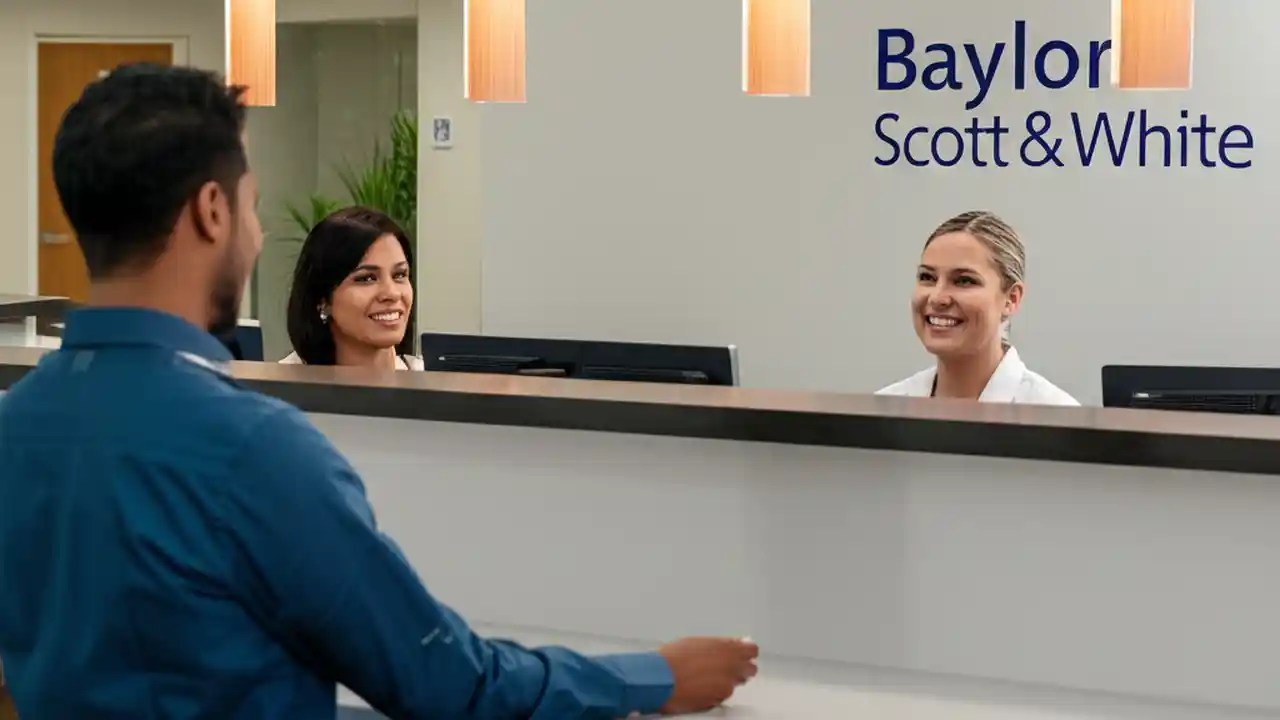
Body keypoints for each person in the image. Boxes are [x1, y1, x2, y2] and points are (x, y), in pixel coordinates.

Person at [0, 63, 757, 719]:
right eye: (253, 205)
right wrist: (654, 674)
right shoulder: (254, 451)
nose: (258, 234)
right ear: (212, 211)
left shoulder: (13, 425)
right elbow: (446, 682)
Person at [876, 210, 1078, 405]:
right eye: (927, 277)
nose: (937, 298)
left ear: (1011, 299)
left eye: (964, 281)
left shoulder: (1056, 417)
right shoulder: (885, 409)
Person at [282, 206, 422, 370]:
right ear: (323, 299)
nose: (392, 293)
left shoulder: (435, 384)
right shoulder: (278, 388)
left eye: (399, 275)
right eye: (367, 278)